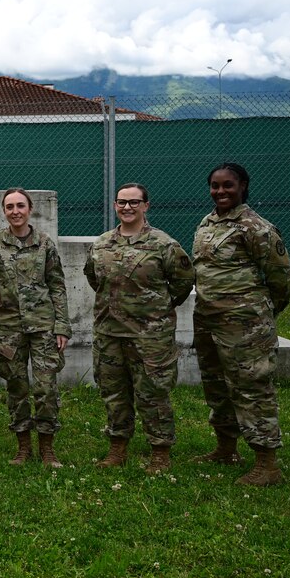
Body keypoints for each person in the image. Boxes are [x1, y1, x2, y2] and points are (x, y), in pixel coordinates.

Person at [192, 163, 290, 486]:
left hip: (246, 327)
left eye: (228, 186)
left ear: (243, 186)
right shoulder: (208, 223)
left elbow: (281, 278)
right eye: (215, 186)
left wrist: (261, 314)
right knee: (217, 386)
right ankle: (226, 448)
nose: (220, 192)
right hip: (209, 321)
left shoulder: (255, 227)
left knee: (252, 389)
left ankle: (267, 463)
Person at [84, 182, 194, 474]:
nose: (127, 207)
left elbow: (183, 281)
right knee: (114, 392)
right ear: (115, 206)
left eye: (134, 202)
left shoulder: (164, 245)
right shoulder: (102, 243)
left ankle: (160, 451)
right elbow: (94, 278)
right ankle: (118, 446)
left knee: (153, 393)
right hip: (109, 333)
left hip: (150, 337)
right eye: (122, 202)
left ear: (146, 205)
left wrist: (156, 309)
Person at [0, 188, 71, 468]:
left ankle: (47, 449)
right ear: (3, 211)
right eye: (9, 207)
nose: (15, 211)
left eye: (20, 206)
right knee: (16, 387)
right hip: (8, 327)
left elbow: (57, 285)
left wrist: (62, 326)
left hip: (43, 326)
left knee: (46, 388)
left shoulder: (45, 243)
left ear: (30, 209)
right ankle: (22, 448)